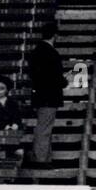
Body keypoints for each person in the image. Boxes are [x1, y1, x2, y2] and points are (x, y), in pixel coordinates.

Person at [26, 21, 66, 168]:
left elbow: (33, 75)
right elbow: (57, 78)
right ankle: (41, 160)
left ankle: (45, 158)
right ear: (55, 35)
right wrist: (64, 82)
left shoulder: (35, 52)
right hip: (50, 97)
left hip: (39, 96)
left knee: (43, 128)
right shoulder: (52, 53)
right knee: (44, 129)